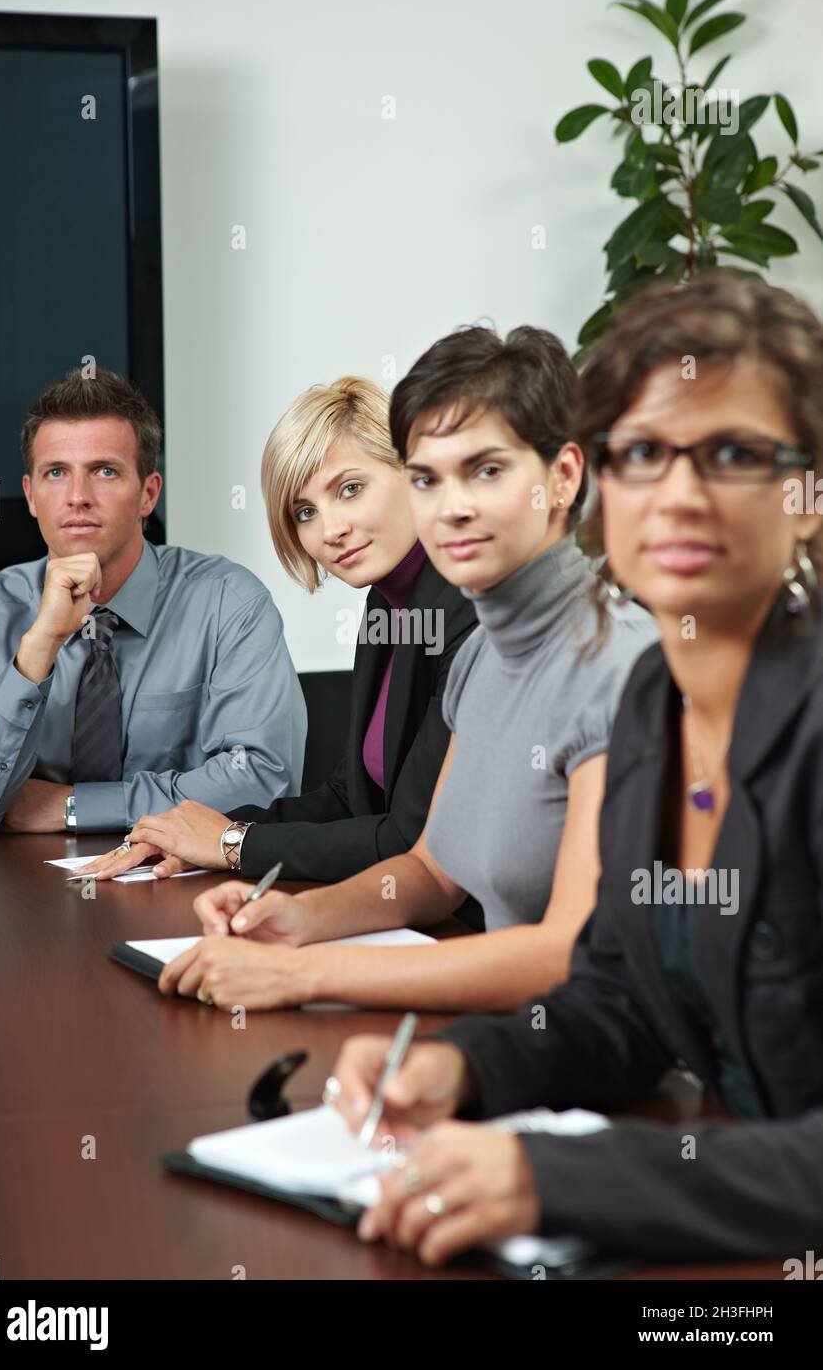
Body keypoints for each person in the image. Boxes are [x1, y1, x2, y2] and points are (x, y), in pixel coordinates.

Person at [328, 272, 823, 1268]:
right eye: (641, 453)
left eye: (728, 453)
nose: (675, 494)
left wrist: (556, 1179)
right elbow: (623, 1000)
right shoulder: (652, 705)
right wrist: (459, 1069)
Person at [157, 325, 655, 1012]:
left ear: (563, 477)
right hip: (516, 1032)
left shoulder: (625, 664)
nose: (450, 508)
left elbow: (567, 954)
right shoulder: (482, 655)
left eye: (486, 471)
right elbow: (428, 869)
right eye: (427, 478)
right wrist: (295, 922)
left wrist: (305, 975)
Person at [79, 377, 477, 883]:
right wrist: (196, 832)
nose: (330, 530)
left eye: (350, 489)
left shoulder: (467, 606)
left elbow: (413, 838)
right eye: (305, 512)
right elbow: (350, 799)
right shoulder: (387, 602)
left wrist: (232, 844)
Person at [0, 368, 306, 840]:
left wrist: (75, 807)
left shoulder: (230, 603)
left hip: (181, 891)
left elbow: (264, 779)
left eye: (105, 471)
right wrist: (40, 645)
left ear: (148, 494)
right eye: (56, 473)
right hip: (19, 894)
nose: (78, 497)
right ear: (32, 496)